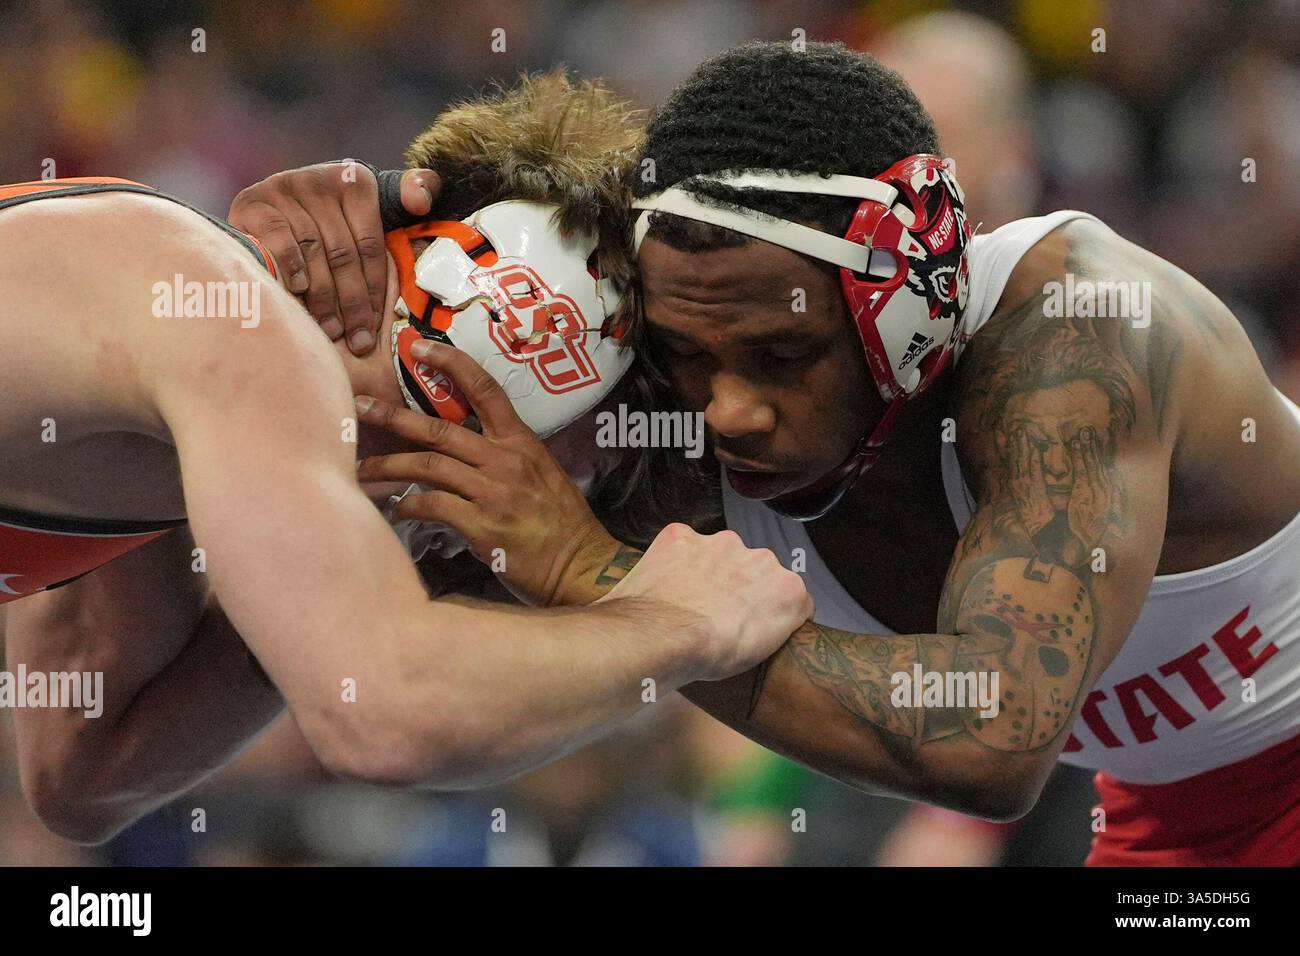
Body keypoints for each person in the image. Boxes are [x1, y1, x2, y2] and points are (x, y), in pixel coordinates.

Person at [264, 43, 1300, 865]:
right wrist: (298, 288)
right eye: (684, 353)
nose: (728, 411)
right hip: (1165, 817)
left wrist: (597, 577)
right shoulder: (661, 406)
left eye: (781, 352)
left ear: (909, 314)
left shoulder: (1077, 329)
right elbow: (381, 647)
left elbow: (990, 731)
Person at [0, 72, 812, 845]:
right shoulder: (229, 326)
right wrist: (681, 623)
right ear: (505, 339)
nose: (475, 545)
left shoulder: (184, 407)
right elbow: (385, 718)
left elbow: (84, 774)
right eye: (539, 478)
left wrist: (370, 573)